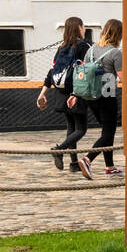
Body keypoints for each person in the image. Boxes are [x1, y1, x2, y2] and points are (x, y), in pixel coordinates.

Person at [36, 16, 93, 179]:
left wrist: (42, 93)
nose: (84, 29)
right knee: (81, 129)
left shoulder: (62, 47)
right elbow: (86, 70)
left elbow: (52, 71)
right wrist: (77, 93)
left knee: (71, 127)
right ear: (79, 28)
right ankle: (60, 150)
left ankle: (74, 163)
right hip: (77, 92)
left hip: (60, 93)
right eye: (83, 27)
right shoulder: (83, 46)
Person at [84, 18, 123, 176]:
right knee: (108, 132)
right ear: (118, 34)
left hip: (91, 96)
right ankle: (87, 159)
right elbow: (123, 77)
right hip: (107, 95)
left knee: (107, 132)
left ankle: (110, 167)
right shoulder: (115, 53)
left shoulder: (91, 49)